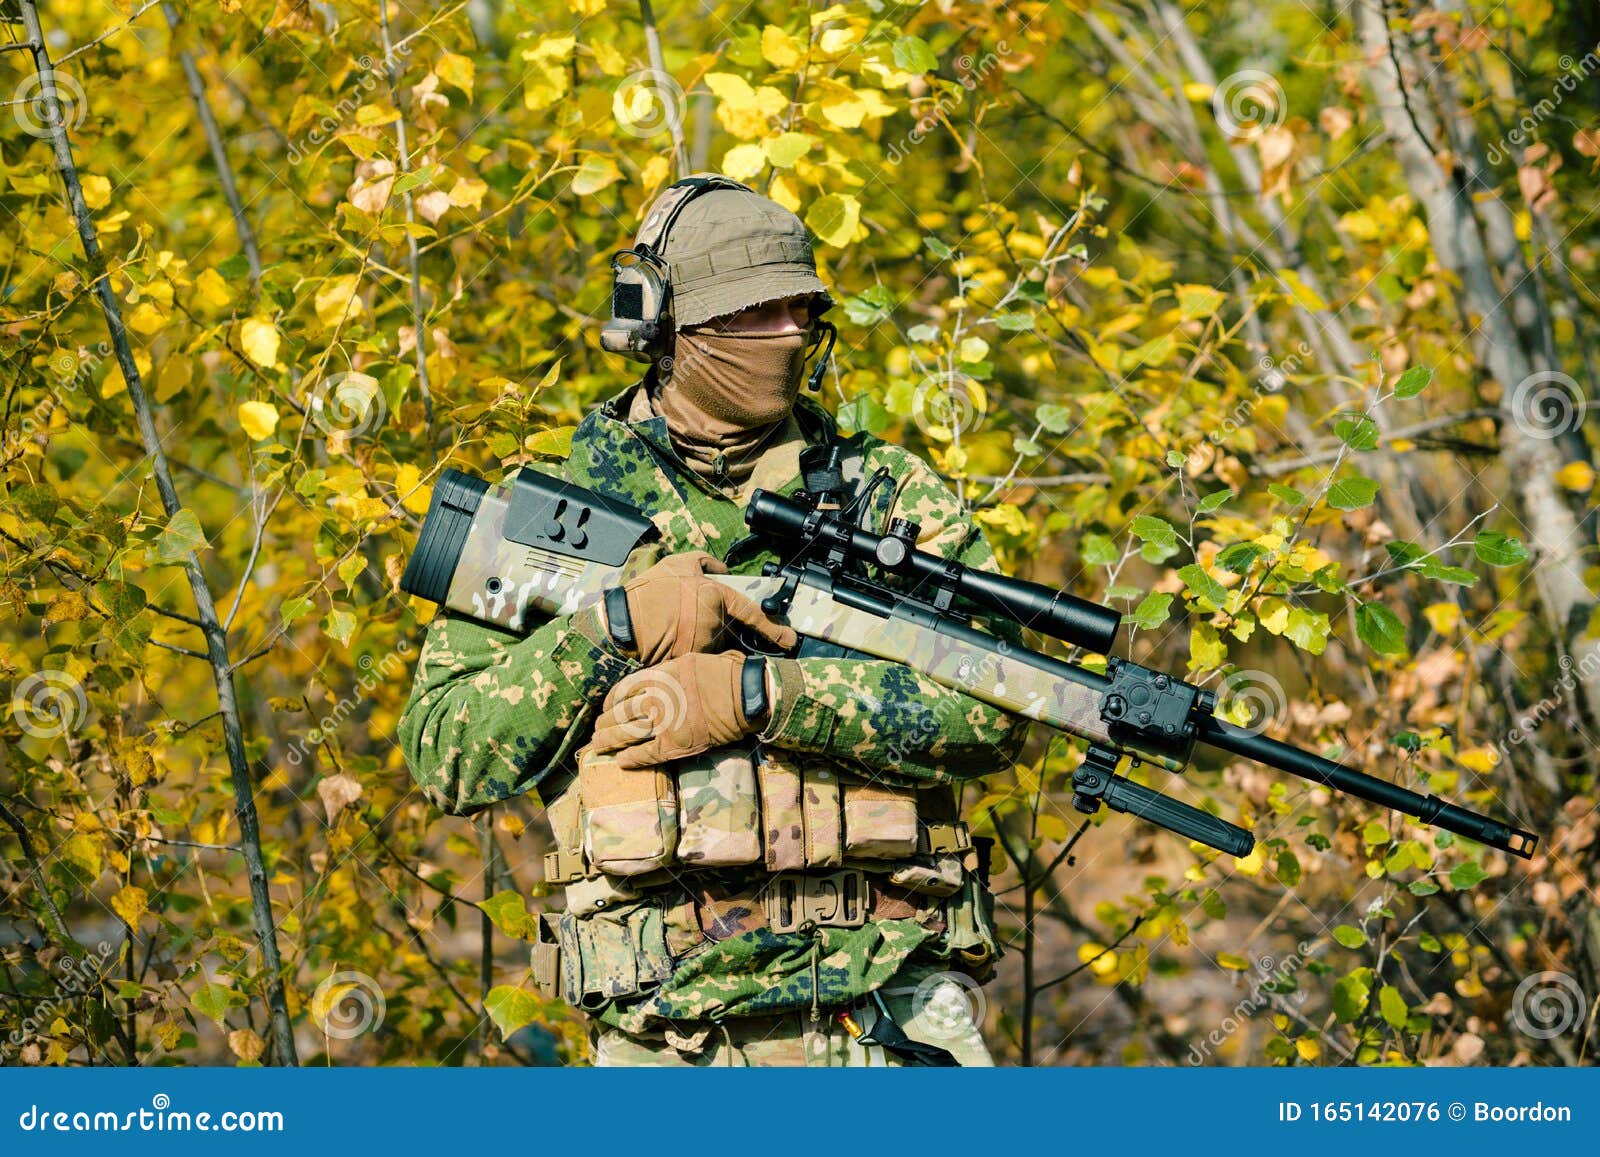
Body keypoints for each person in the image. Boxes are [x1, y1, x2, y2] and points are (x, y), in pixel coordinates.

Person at [397, 175, 1029, 1066]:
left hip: (890, 1004)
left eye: (800, 311)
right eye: (751, 314)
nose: (787, 337)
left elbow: (998, 706)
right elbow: (445, 752)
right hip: (670, 1031)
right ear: (663, 326)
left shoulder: (888, 497)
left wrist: (767, 693)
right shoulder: (548, 519)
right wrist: (609, 632)